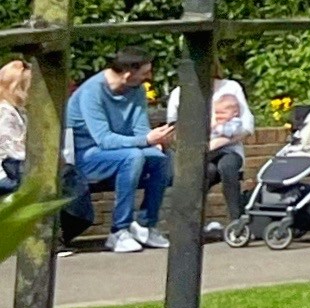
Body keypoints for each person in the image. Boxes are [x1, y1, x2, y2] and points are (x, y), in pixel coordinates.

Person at [65, 49, 168, 253]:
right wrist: (146, 140)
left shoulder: (136, 90)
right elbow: (103, 140)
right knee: (132, 156)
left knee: (159, 159)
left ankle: (145, 224)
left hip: (118, 152)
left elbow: (140, 129)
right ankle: (118, 230)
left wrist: (155, 141)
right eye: (145, 73)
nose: (149, 77)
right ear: (128, 74)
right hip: (85, 156)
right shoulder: (91, 92)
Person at [167, 63, 258, 243]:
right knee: (206, 171)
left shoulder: (231, 87)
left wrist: (221, 141)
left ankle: (237, 222)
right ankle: (193, 225)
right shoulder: (179, 93)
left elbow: (247, 126)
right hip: (199, 151)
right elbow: (173, 129)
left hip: (229, 147)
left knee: (228, 166)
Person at [0, 56, 27, 200]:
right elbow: (14, 153)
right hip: (5, 174)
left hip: (16, 169)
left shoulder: (19, 110)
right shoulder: (4, 112)